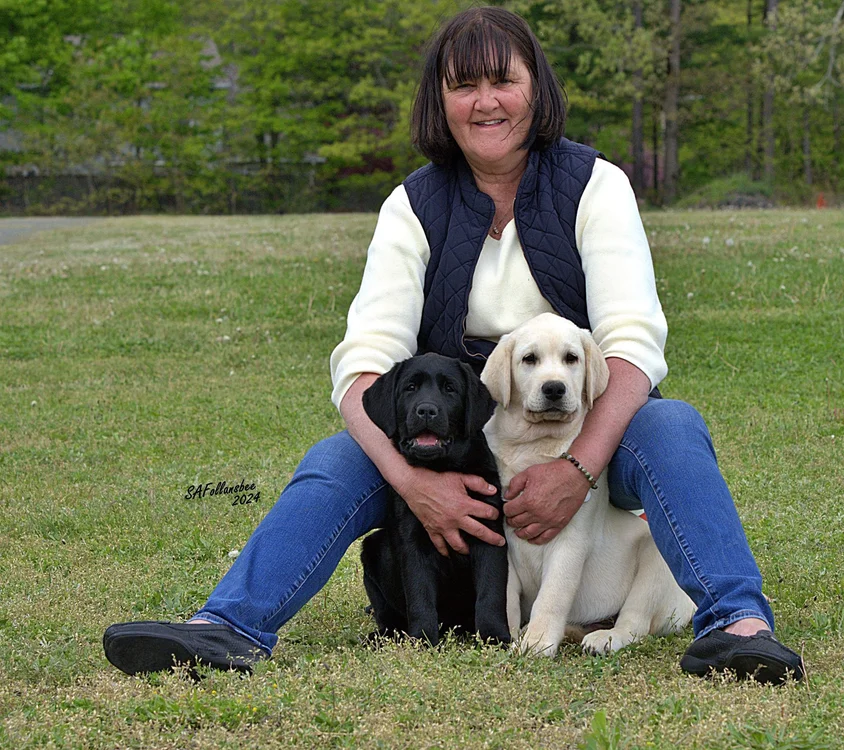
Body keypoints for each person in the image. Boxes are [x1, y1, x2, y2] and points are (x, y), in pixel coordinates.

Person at [104, 6, 803, 684]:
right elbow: (361, 369)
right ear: (440, 101)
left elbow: (633, 346)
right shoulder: (411, 206)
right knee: (336, 458)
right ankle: (225, 627)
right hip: (456, 438)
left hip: (587, 432)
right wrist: (412, 483)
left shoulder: (596, 186)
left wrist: (580, 469)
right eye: (463, 85)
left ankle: (736, 624)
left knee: (672, 423)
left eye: (503, 80)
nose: (486, 101)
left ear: (538, 89)